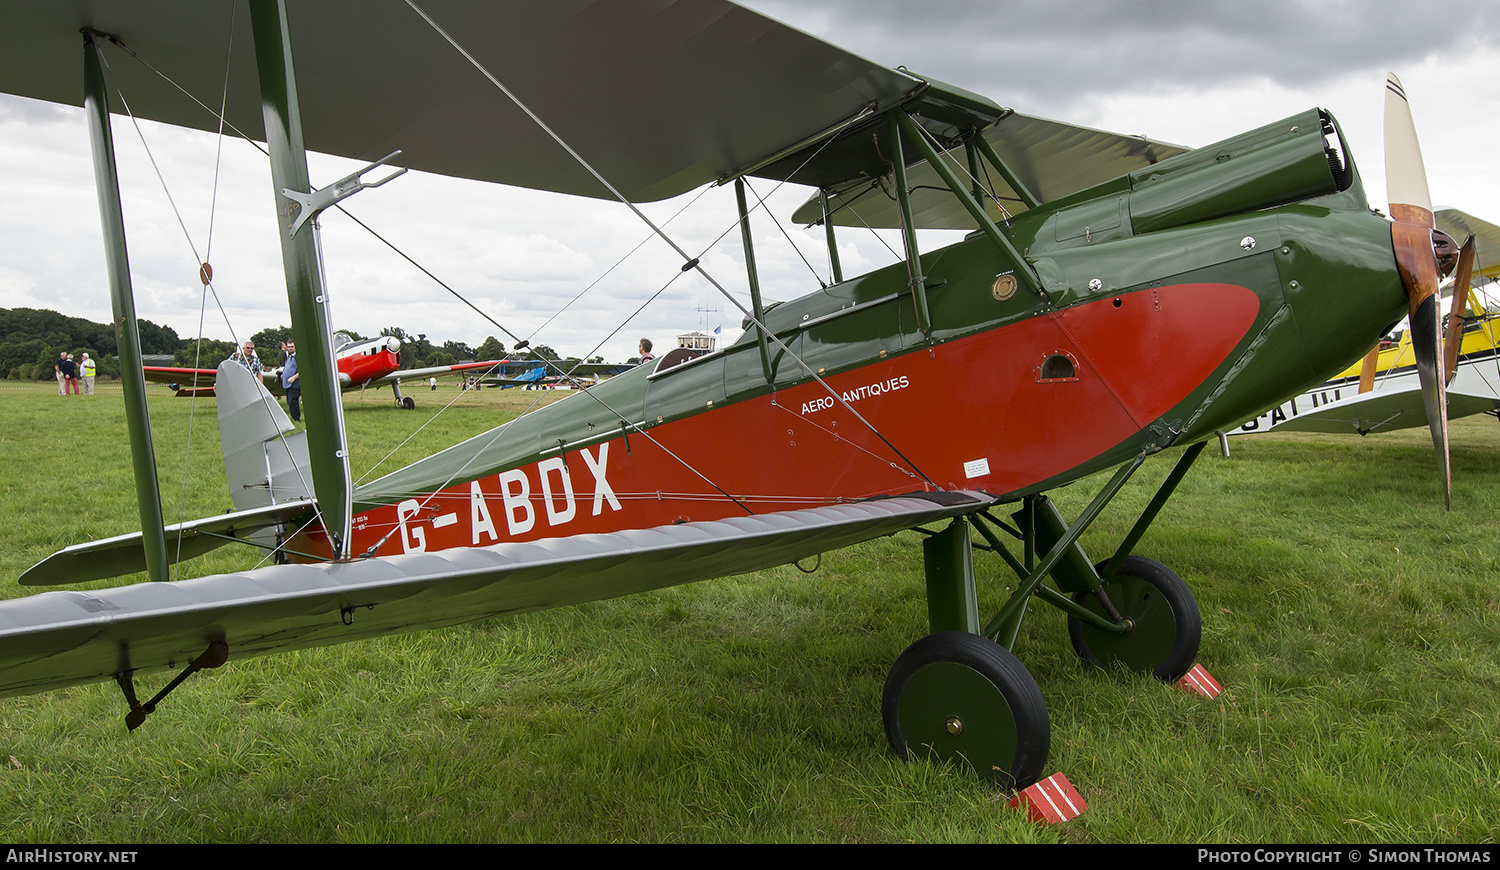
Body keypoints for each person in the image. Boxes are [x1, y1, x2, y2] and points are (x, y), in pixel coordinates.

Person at [280, 340, 301, 422]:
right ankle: (293, 417)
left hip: (294, 383)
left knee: (293, 400)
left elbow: (302, 370)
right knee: (289, 401)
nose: (290, 348)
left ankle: (296, 418)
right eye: (288, 347)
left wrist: (294, 378)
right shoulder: (289, 357)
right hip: (287, 383)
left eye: (292, 346)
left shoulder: (298, 357)